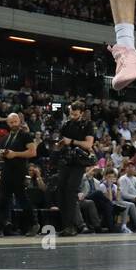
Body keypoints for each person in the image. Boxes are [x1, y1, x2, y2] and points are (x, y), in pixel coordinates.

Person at [0, 113, 40, 237]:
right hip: (7, 171)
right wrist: (1, 155)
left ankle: (34, 224)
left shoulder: (25, 135)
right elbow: (6, 154)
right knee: (1, 199)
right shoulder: (5, 138)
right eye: (11, 122)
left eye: (16, 121)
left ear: (19, 121)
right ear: (8, 123)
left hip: (19, 171)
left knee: (22, 199)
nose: (14, 124)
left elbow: (33, 152)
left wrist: (15, 154)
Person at [56, 101, 95, 237]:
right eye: (71, 113)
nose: (72, 116)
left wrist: (71, 141)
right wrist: (60, 144)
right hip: (65, 161)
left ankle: (72, 226)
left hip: (78, 162)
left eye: (75, 114)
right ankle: (67, 225)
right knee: (61, 191)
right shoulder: (66, 124)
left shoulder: (87, 125)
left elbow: (89, 143)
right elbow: (61, 142)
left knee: (71, 191)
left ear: (82, 113)